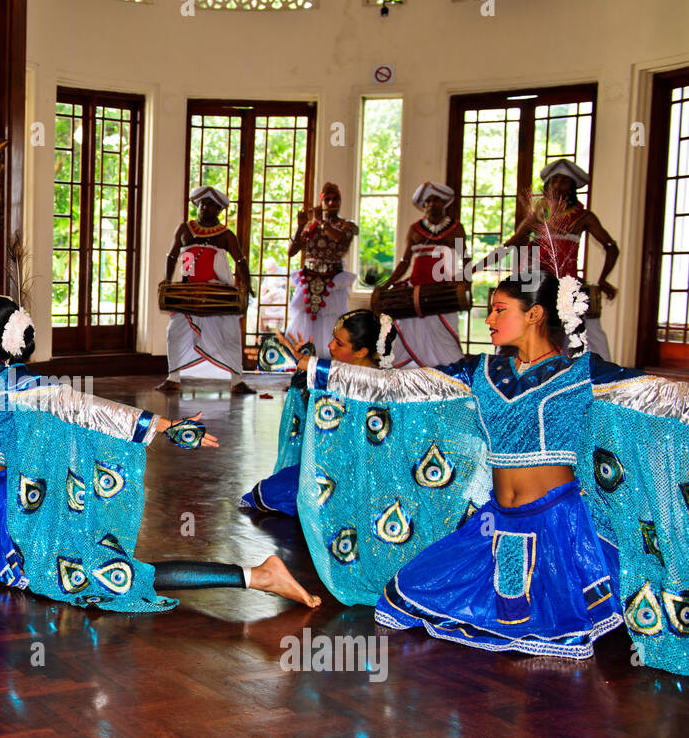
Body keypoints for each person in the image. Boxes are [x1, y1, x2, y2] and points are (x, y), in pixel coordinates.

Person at [288, 273, 689, 668]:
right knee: (404, 593)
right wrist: (323, 370)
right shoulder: (480, 371)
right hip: (496, 522)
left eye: (500, 310)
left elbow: (660, 396)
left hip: (559, 524)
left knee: (549, 620)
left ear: (534, 314)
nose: (490, 320)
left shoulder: (582, 374)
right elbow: (401, 386)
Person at [0, 287, 319, 611]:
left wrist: (160, 425)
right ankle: (259, 575)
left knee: (113, 578)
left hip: (7, 521)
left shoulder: (12, 388)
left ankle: (258, 576)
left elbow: (81, 404)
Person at [240, 309, 385, 515]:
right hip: (330, 465)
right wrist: (305, 368)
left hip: (364, 475)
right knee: (271, 490)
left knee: (292, 494)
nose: (330, 346)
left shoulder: (379, 381)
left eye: (339, 343)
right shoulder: (336, 373)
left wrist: (301, 361)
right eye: (333, 339)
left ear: (361, 351)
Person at [493, 160, 618, 359]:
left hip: (565, 287)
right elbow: (515, 242)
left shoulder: (584, 217)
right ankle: (510, 374)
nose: (558, 185)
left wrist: (603, 280)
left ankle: (591, 379)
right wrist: (478, 266)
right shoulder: (539, 214)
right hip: (535, 285)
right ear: (547, 186)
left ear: (573, 187)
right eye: (554, 181)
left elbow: (611, 248)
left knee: (582, 335)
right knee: (517, 331)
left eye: (564, 181)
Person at [158, 185, 254, 395]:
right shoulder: (185, 229)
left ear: (219, 210)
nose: (204, 207)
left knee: (230, 335)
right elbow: (173, 256)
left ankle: (237, 381)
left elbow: (240, 260)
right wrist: (167, 280)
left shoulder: (226, 235)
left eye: (210, 205)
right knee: (174, 333)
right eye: (202, 203)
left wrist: (247, 284)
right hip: (187, 293)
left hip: (216, 294)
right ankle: (173, 378)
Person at [381, 181, 467, 368]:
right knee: (411, 332)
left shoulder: (456, 228)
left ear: (444, 203)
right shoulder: (415, 229)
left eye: (435, 200)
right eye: (427, 201)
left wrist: (464, 282)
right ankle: (410, 371)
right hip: (416, 290)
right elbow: (405, 262)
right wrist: (387, 284)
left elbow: (465, 258)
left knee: (445, 334)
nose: (431, 204)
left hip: (444, 291)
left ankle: (449, 370)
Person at [288, 182, 359, 356]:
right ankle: (303, 368)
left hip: (332, 282)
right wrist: (300, 226)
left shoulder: (346, 226)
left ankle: (327, 369)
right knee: (305, 325)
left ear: (340, 201)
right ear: (322, 201)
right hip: (309, 280)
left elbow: (338, 240)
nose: (331, 202)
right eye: (327, 199)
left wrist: (321, 221)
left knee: (331, 325)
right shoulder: (310, 227)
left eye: (335, 199)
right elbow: (291, 251)